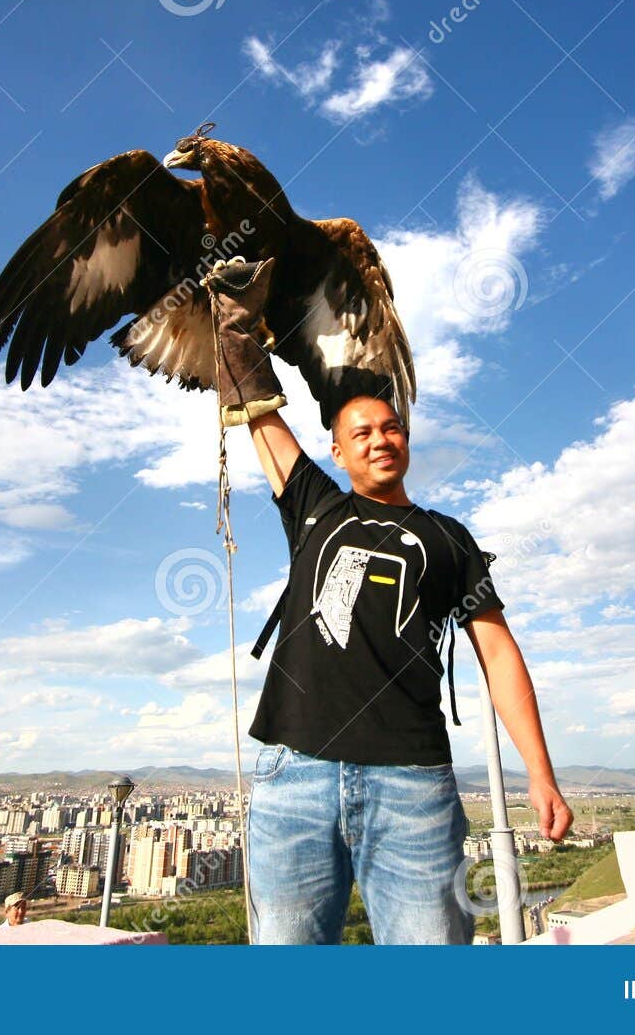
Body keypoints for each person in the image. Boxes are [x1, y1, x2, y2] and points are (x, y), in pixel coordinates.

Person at [202, 256, 573, 945]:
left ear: (407, 439)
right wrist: (231, 316)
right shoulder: (313, 503)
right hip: (294, 777)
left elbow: (497, 650)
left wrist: (541, 774)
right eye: (362, 432)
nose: (380, 438)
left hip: (414, 786)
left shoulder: (448, 537)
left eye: (391, 427)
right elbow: (253, 397)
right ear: (337, 450)